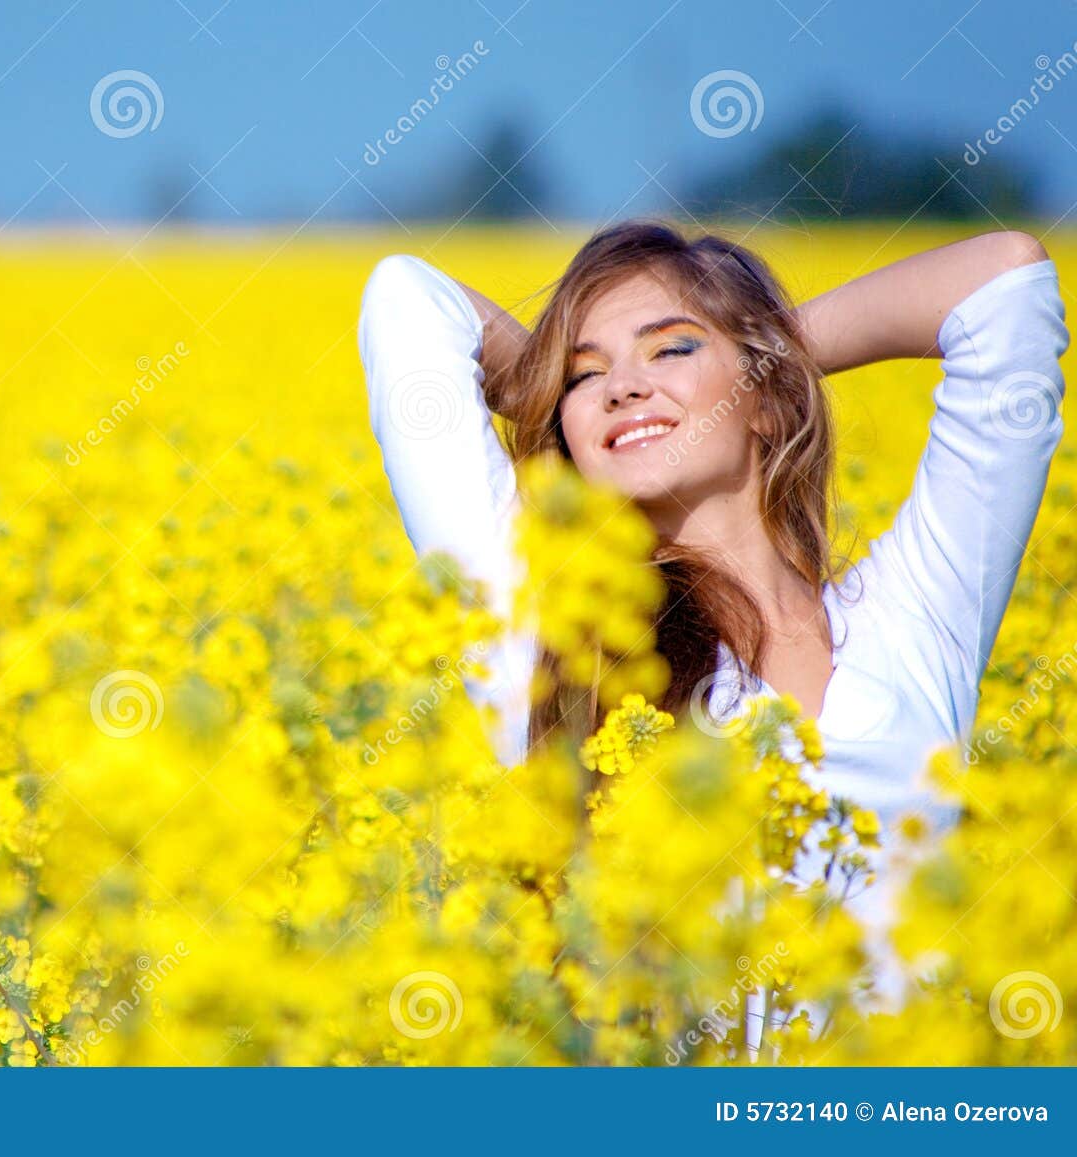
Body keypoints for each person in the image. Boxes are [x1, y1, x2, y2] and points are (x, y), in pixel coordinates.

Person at [357, 221, 1067, 1046]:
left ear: (768, 401)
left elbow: (1003, 282)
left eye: (672, 350)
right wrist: (569, 400)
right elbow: (405, 298)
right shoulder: (547, 632)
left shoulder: (915, 619)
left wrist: (770, 357)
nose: (623, 386)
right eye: (587, 374)